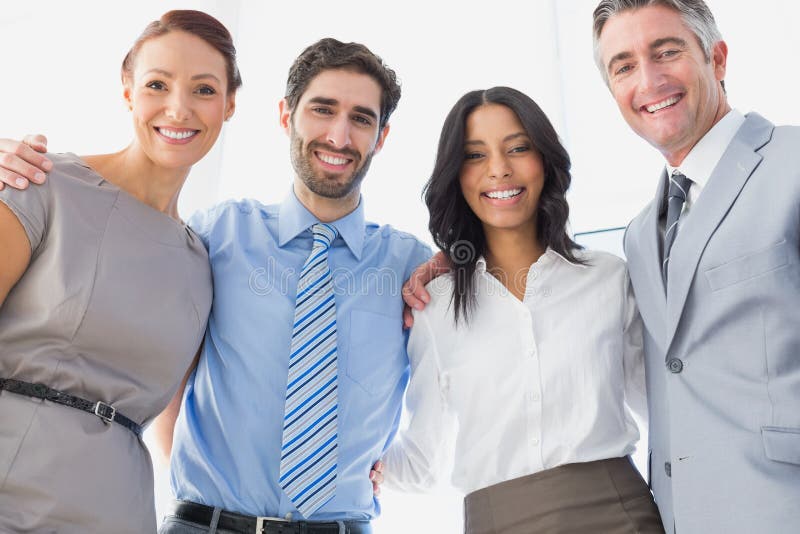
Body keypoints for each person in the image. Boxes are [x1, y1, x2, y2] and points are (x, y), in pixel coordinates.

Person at [0, 39, 430, 533]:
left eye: (361, 118)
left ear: (383, 135)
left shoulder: (413, 269)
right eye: (323, 109)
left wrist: (396, 464)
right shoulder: (214, 238)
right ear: (286, 115)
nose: (339, 134)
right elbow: (151, 350)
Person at [375, 86, 663, 534]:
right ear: (456, 175)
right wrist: (346, 450)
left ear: (545, 160)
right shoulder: (436, 307)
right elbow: (421, 464)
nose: (499, 169)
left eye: (518, 148)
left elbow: (665, 412)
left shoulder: (609, 278)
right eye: (475, 155)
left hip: (622, 516)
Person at [0, 10, 239, 534]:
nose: (179, 108)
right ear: (128, 91)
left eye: (203, 89)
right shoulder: (42, 183)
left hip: (120, 513)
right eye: (158, 84)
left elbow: (180, 431)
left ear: (229, 105)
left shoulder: (202, 264)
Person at [591, 1, 800, 532]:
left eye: (667, 52)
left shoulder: (793, 164)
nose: (649, 80)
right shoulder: (639, 234)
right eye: (624, 66)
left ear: (718, 58)